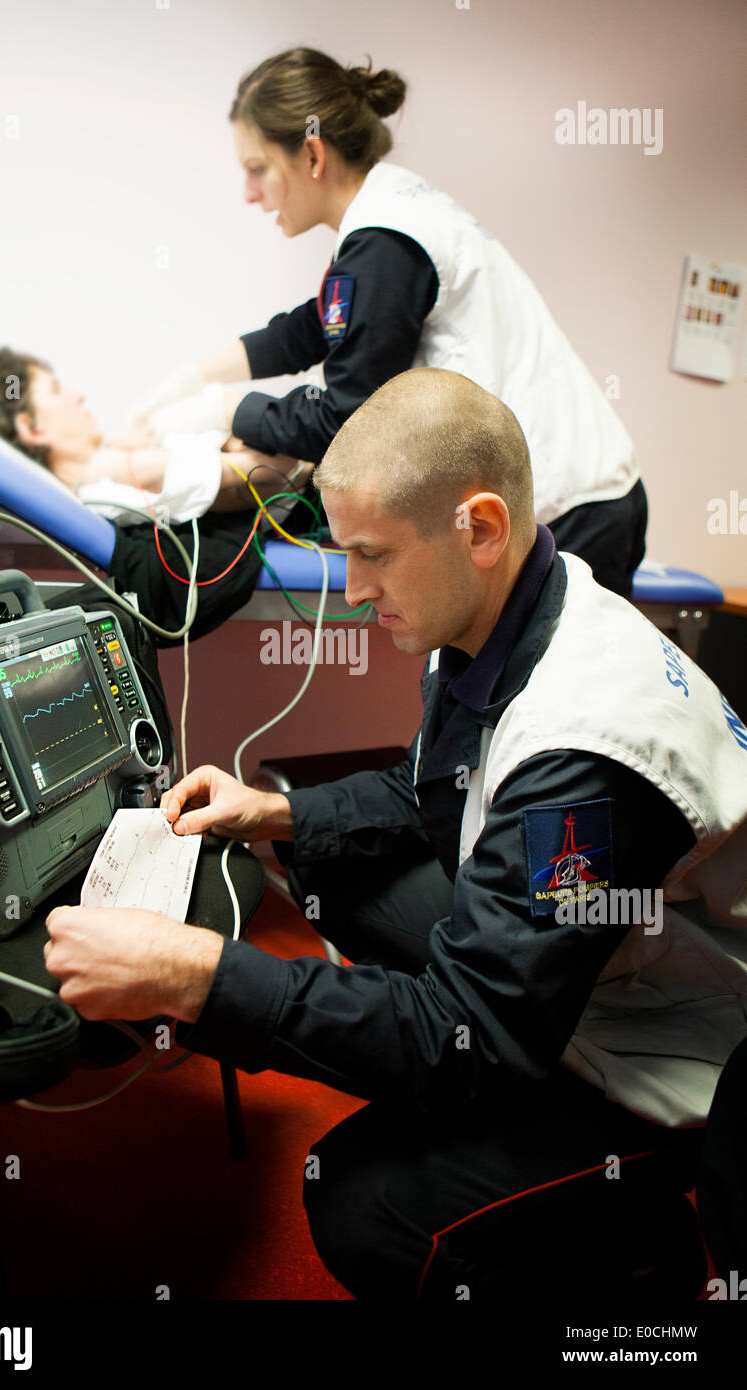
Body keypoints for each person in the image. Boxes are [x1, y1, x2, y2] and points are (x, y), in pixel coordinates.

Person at [43, 369, 747, 1302]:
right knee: (343, 869)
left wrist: (199, 979)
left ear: (480, 528)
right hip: (602, 961)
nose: (352, 586)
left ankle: (638, 1259)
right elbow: (436, 792)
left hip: (680, 1048)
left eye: (372, 554)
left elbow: (475, 1037)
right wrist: (274, 812)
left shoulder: (586, 756)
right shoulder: (520, 601)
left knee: (359, 1202)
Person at [132, 46, 648, 599]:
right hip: (572, 500)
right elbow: (314, 326)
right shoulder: (388, 212)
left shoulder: (387, 240)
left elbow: (347, 419)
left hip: (573, 509)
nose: (249, 193)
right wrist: (196, 375)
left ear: (311, 155)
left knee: (534, 684)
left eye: (258, 169)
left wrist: (224, 409)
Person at [0, 347, 312, 642]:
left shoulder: (123, 459)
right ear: (32, 428)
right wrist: (220, 409)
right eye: (57, 391)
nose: (79, 396)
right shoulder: (106, 488)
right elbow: (289, 466)